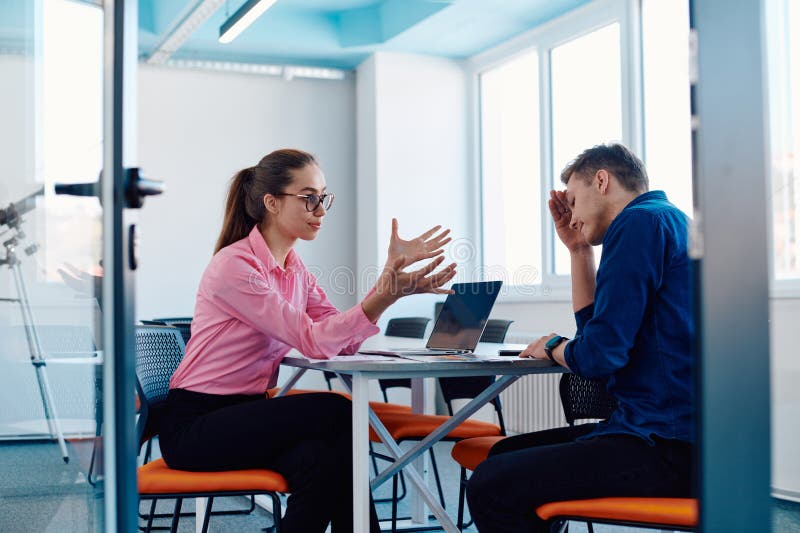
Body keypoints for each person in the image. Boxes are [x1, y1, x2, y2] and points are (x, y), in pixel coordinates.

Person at [158, 148, 457, 533]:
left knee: (323, 462)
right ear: (272, 203)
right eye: (309, 198)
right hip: (196, 426)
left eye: (323, 198)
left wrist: (388, 284)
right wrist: (384, 295)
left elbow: (343, 342)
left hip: (244, 414)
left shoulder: (294, 268)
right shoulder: (236, 266)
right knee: (338, 412)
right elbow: (312, 340)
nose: (321, 210)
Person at [466, 143, 694, 532]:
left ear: (602, 181)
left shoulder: (638, 223)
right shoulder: (668, 220)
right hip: (664, 435)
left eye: (573, 199)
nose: (571, 215)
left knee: (492, 485)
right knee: (503, 452)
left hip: (664, 445)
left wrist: (553, 346)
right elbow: (596, 340)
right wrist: (578, 251)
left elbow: (598, 357)